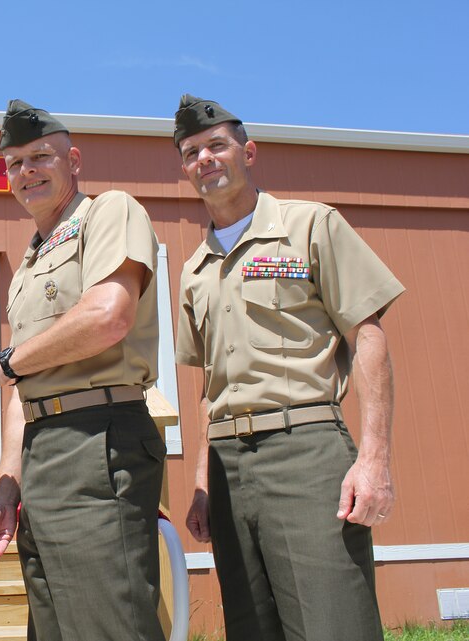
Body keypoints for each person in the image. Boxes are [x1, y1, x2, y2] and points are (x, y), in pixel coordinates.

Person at [173, 94, 405, 641]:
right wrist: (204, 480)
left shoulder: (310, 226)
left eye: (216, 145)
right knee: (251, 627)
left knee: (332, 624)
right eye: (190, 153)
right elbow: (209, 384)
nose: (204, 159)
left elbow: (367, 336)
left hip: (305, 452)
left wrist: (374, 459)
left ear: (248, 152)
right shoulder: (193, 271)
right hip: (229, 470)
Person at [0, 99, 166, 641]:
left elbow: (108, 317)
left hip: (99, 440)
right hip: (43, 453)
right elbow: (19, 389)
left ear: (73, 160)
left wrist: (3, 363)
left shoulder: (107, 213)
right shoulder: (27, 264)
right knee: (53, 626)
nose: (25, 171)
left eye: (40, 157)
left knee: (107, 623)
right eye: (13, 163)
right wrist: (6, 492)